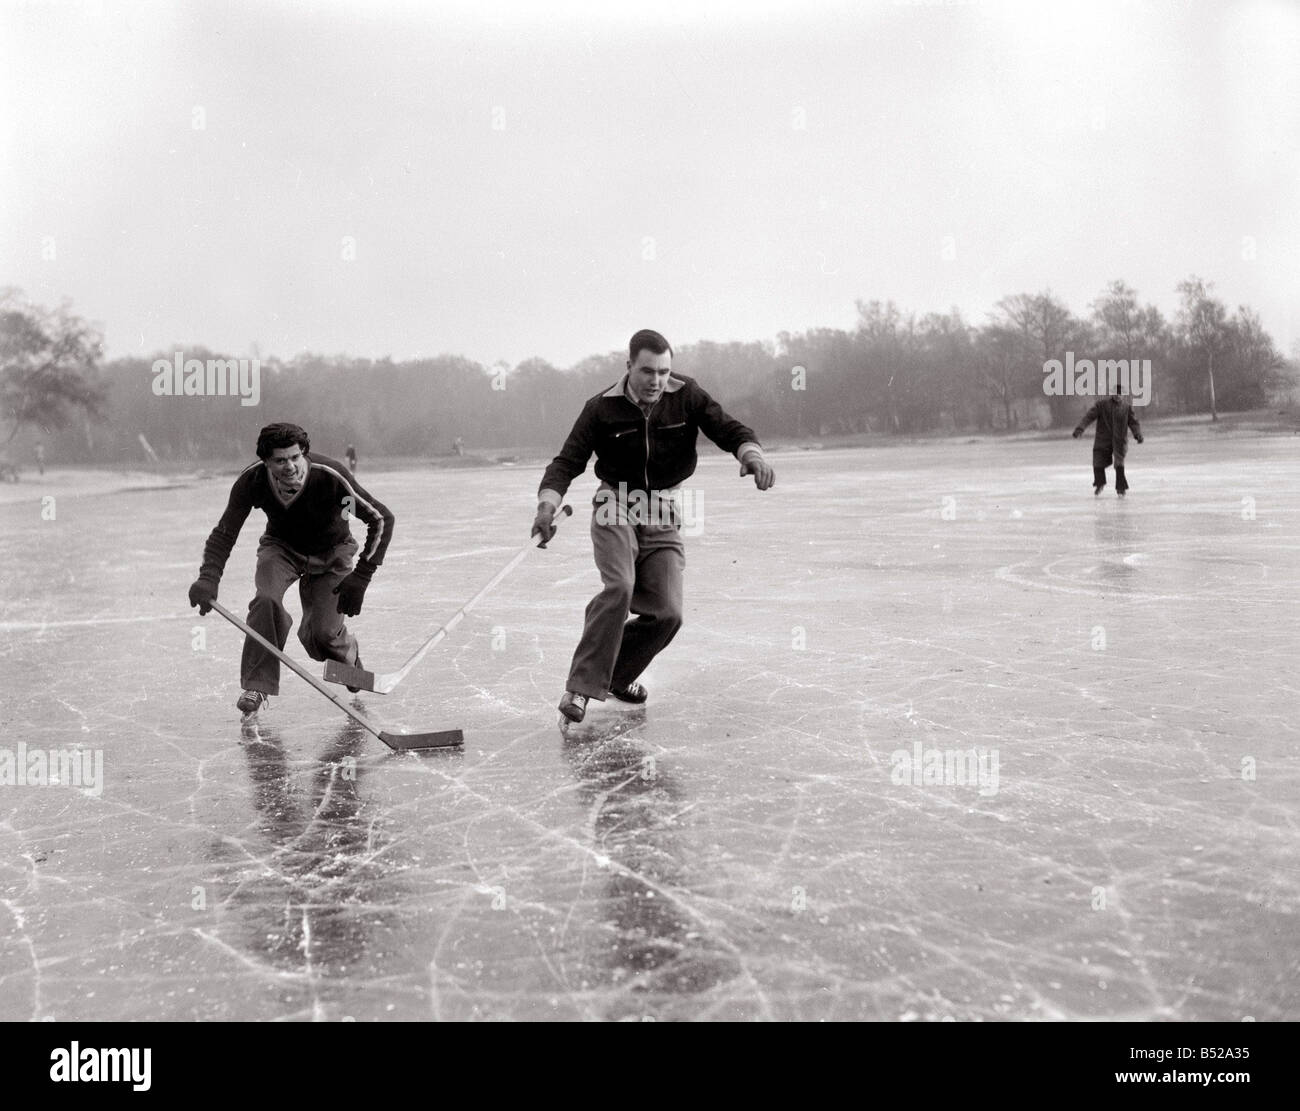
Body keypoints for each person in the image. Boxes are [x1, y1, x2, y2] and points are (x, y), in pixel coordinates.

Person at [532, 328, 775, 723]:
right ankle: (580, 688)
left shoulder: (687, 395)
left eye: (663, 372)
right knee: (621, 587)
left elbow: (730, 430)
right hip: (615, 505)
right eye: (648, 371)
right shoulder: (601, 408)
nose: (657, 381)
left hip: (662, 509)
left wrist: (752, 456)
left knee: (668, 613)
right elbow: (566, 463)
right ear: (629, 367)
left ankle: (619, 675)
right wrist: (547, 505)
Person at [188, 422, 394, 714]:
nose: (290, 466)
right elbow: (225, 533)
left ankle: (350, 661)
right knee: (266, 600)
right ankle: (257, 685)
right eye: (280, 460)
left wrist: (361, 575)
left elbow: (380, 519)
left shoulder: (331, 477)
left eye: (295, 457)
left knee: (320, 636)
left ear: (304, 453)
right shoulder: (253, 482)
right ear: (266, 462)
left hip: (332, 551)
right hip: (281, 549)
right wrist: (208, 577)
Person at [1073, 385, 1144, 496]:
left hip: (1119, 440)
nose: (1118, 396)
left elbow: (1134, 423)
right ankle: (1100, 484)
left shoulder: (1127, 408)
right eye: (1116, 393)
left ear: (1123, 395)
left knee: (1119, 464)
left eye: (1120, 394)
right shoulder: (1102, 405)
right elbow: (1089, 417)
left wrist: (1138, 434)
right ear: (1112, 394)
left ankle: (1121, 488)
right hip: (1103, 439)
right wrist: (1080, 429)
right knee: (1098, 461)